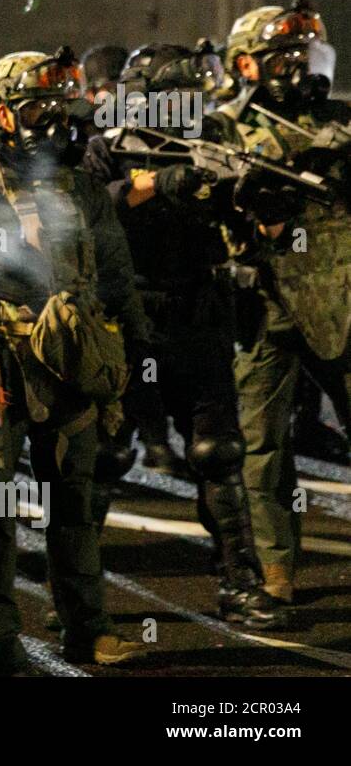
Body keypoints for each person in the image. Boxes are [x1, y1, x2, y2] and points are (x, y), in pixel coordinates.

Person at [0, 47, 150, 672]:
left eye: (64, 107)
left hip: (70, 354)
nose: (56, 122)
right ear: (1, 114)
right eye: (39, 109)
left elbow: (114, 271)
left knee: (74, 500)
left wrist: (131, 348)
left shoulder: (83, 184)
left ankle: (86, 628)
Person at [83, 41, 293, 629]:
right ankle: (78, 595)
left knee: (219, 452)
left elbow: (252, 226)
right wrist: (157, 183)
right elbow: (89, 214)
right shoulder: (108, 145)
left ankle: (240, 584)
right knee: (105, 455)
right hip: (128, 314)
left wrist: (263, 207)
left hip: (197, 312)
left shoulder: (217, 143)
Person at [217, 0, 351, 604]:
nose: (295, 67)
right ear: (246, 66)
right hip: (264, 304)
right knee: (263, 449)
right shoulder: (222, 130)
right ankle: (276, 575)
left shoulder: (337, 123)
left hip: (342, 304)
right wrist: (240, 202)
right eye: (280, 57)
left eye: (301, 54)